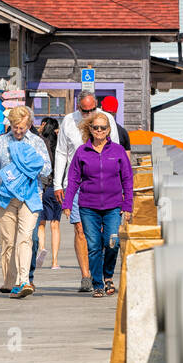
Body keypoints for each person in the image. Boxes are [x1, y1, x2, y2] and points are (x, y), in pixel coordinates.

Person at [63, 110, 133, 298]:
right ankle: (98, 283)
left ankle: (108, 276)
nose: (100, 131)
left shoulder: (117, 151)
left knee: (112, 243)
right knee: (93, 245)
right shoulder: (82, 152)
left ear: (109, 130)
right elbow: (74, 180)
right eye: (96, 128)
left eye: (103, 128)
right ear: (90, 130)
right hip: (88, 206)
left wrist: (128, 206)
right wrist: (68, 203)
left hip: (113, 205)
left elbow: (127, 178)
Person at [0, 106, 51, 298]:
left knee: (25, 238)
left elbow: (46, 169)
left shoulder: (37, 142)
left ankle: (23, 281)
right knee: (8, 241)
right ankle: (9, 279)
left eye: (22, 127)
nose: (19, 131)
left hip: (30, 196)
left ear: (29, 124)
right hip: (5, 197)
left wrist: (26, 163)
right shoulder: (1, 142)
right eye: (15, 127)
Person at [54, 91, 99, 293]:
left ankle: (99, 273)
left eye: (92, 109)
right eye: (85, 110)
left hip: (101, 183)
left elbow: (116, 150)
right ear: (78, 106)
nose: (89, 114)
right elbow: (61, 152)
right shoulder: (68, 122)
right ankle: (85, 276)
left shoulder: (106, 120)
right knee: (80, 229)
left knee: (100, 232)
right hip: (76, 182)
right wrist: (57, 184)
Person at [35, 117, 62, 270]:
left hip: (42, 187)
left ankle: (42, 248)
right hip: (56, 187)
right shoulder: (58, 144)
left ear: (44, 125)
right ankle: (55, 261)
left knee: (41, 223)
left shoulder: (39, 142)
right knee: (55, 225)